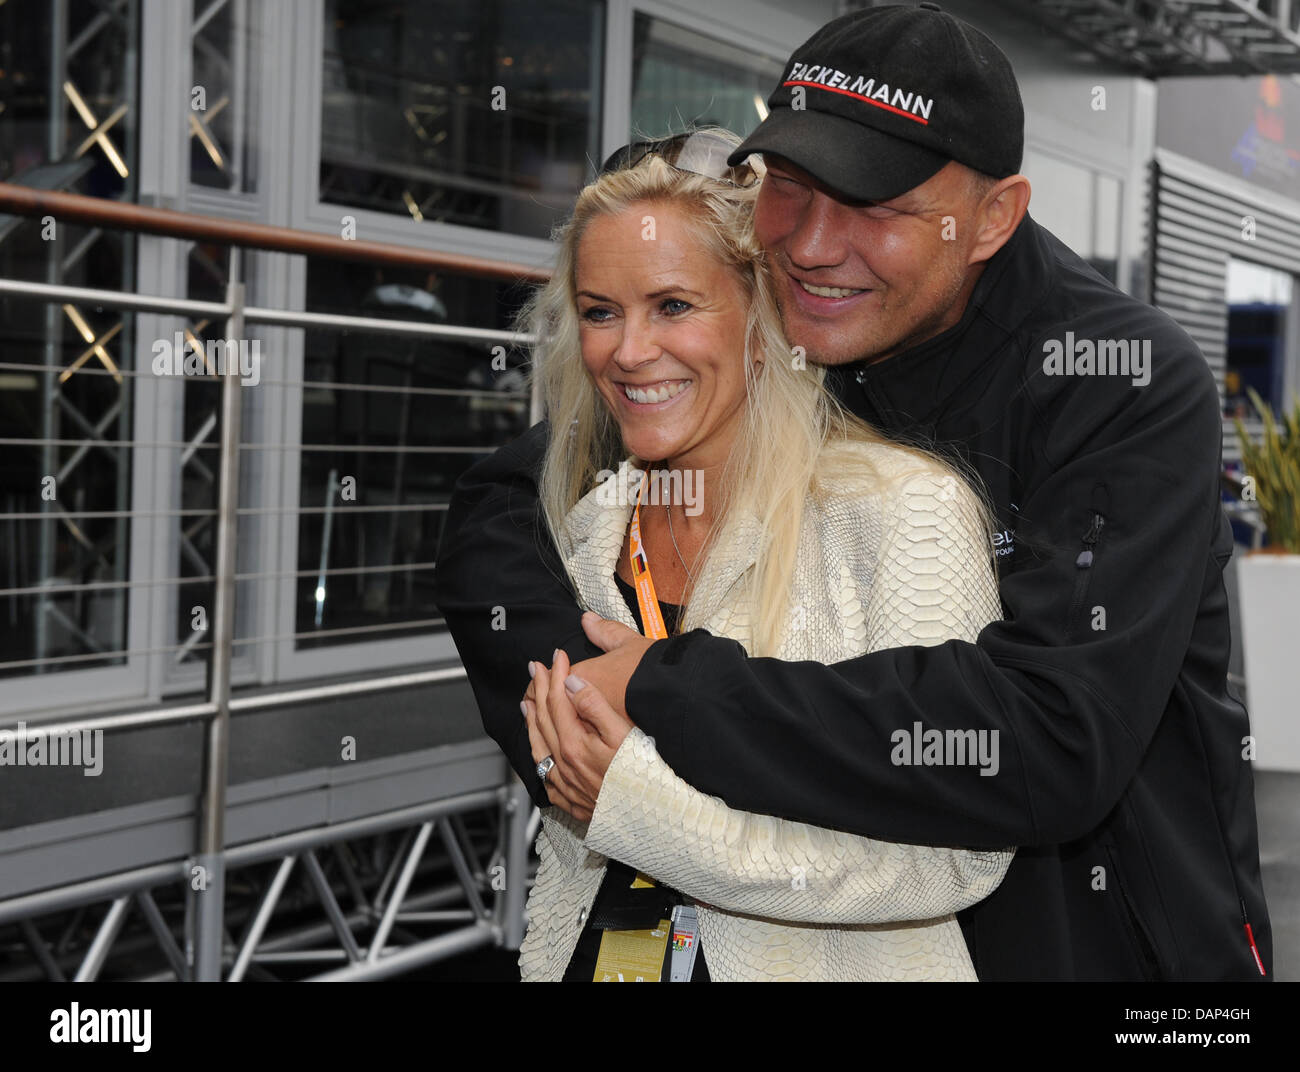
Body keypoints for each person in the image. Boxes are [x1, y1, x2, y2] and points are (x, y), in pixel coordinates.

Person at [434, 4, 1273, 981]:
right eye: (789, 188)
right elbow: (503, 505)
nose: (814, 246)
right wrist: (577, 690)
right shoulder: (779, 329)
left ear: (991, 217)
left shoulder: (1118, 381)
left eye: (875, 206)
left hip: (1123, 934)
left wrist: (663, 687)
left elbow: (1044, 740)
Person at [501, 129, 1011, 981]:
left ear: (765, 317)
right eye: (600, 311)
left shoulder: (901, 512)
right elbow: (570, 832)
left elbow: (955, 854)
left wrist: (635, 805)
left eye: (672, 306)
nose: (627, 352)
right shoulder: (591, 529)